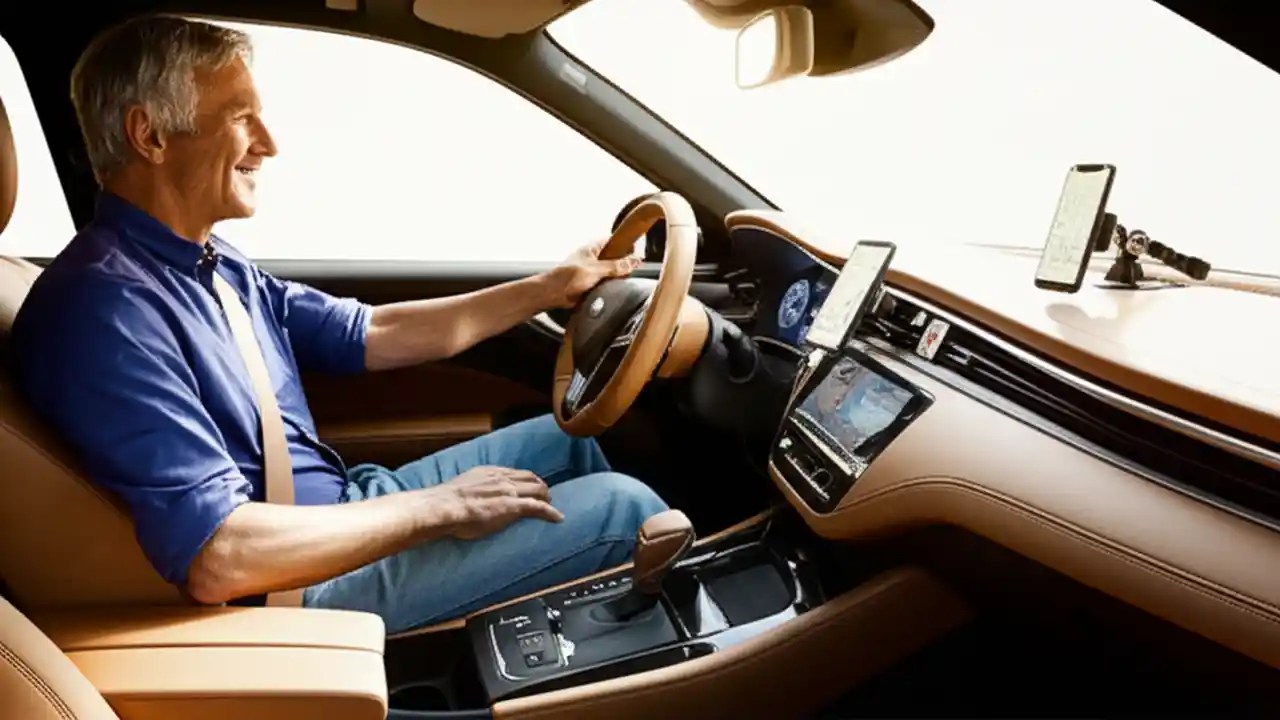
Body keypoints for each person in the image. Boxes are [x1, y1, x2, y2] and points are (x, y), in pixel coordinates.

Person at [10, 15, 669, 634]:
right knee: (621, 508)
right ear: (150, 135)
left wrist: (552, 287)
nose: (269, 144)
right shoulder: (104, 312)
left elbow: (373, 334)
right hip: (297, 582)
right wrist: (443, 506)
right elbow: (221, 555)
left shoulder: (206, 263)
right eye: (243, 118)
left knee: (572, 441)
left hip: (340, 510)